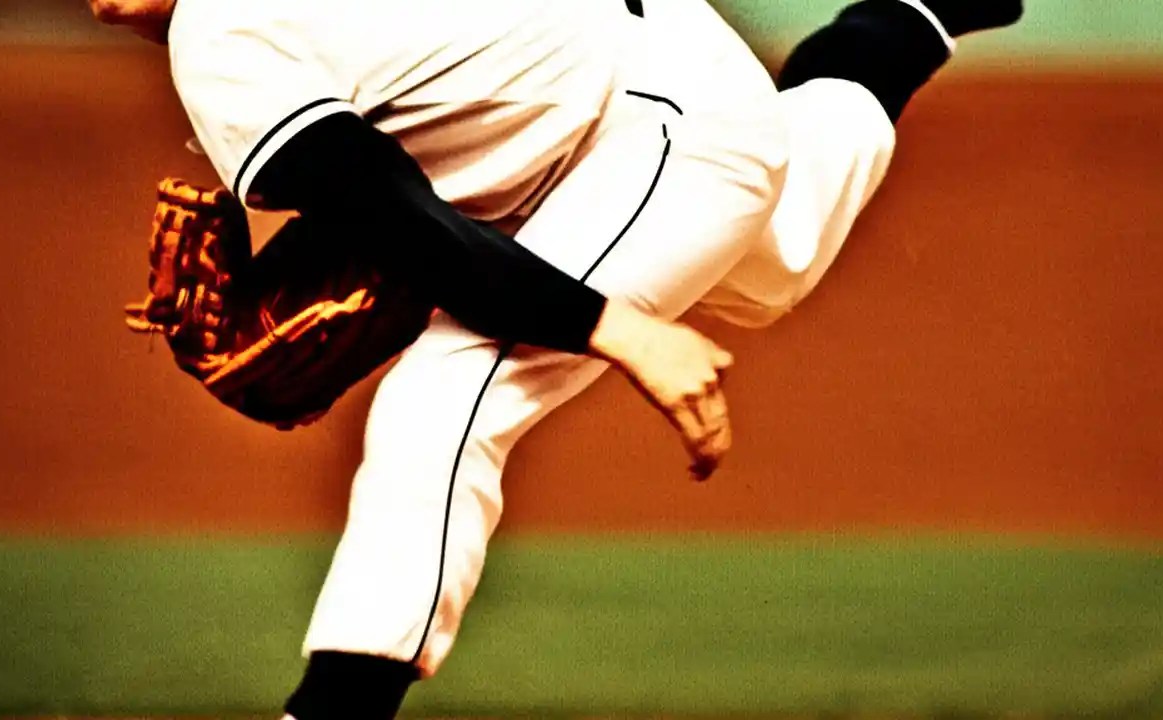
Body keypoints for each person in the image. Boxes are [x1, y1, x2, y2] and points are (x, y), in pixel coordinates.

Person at [91, 0, 1023, 716]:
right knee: (781, 241)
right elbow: (402, 188)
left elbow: (399, 218)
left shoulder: (218, 34)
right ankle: (913, 11)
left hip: (652, 127)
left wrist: (619, 329)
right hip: (660, 69)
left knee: (448, 397)